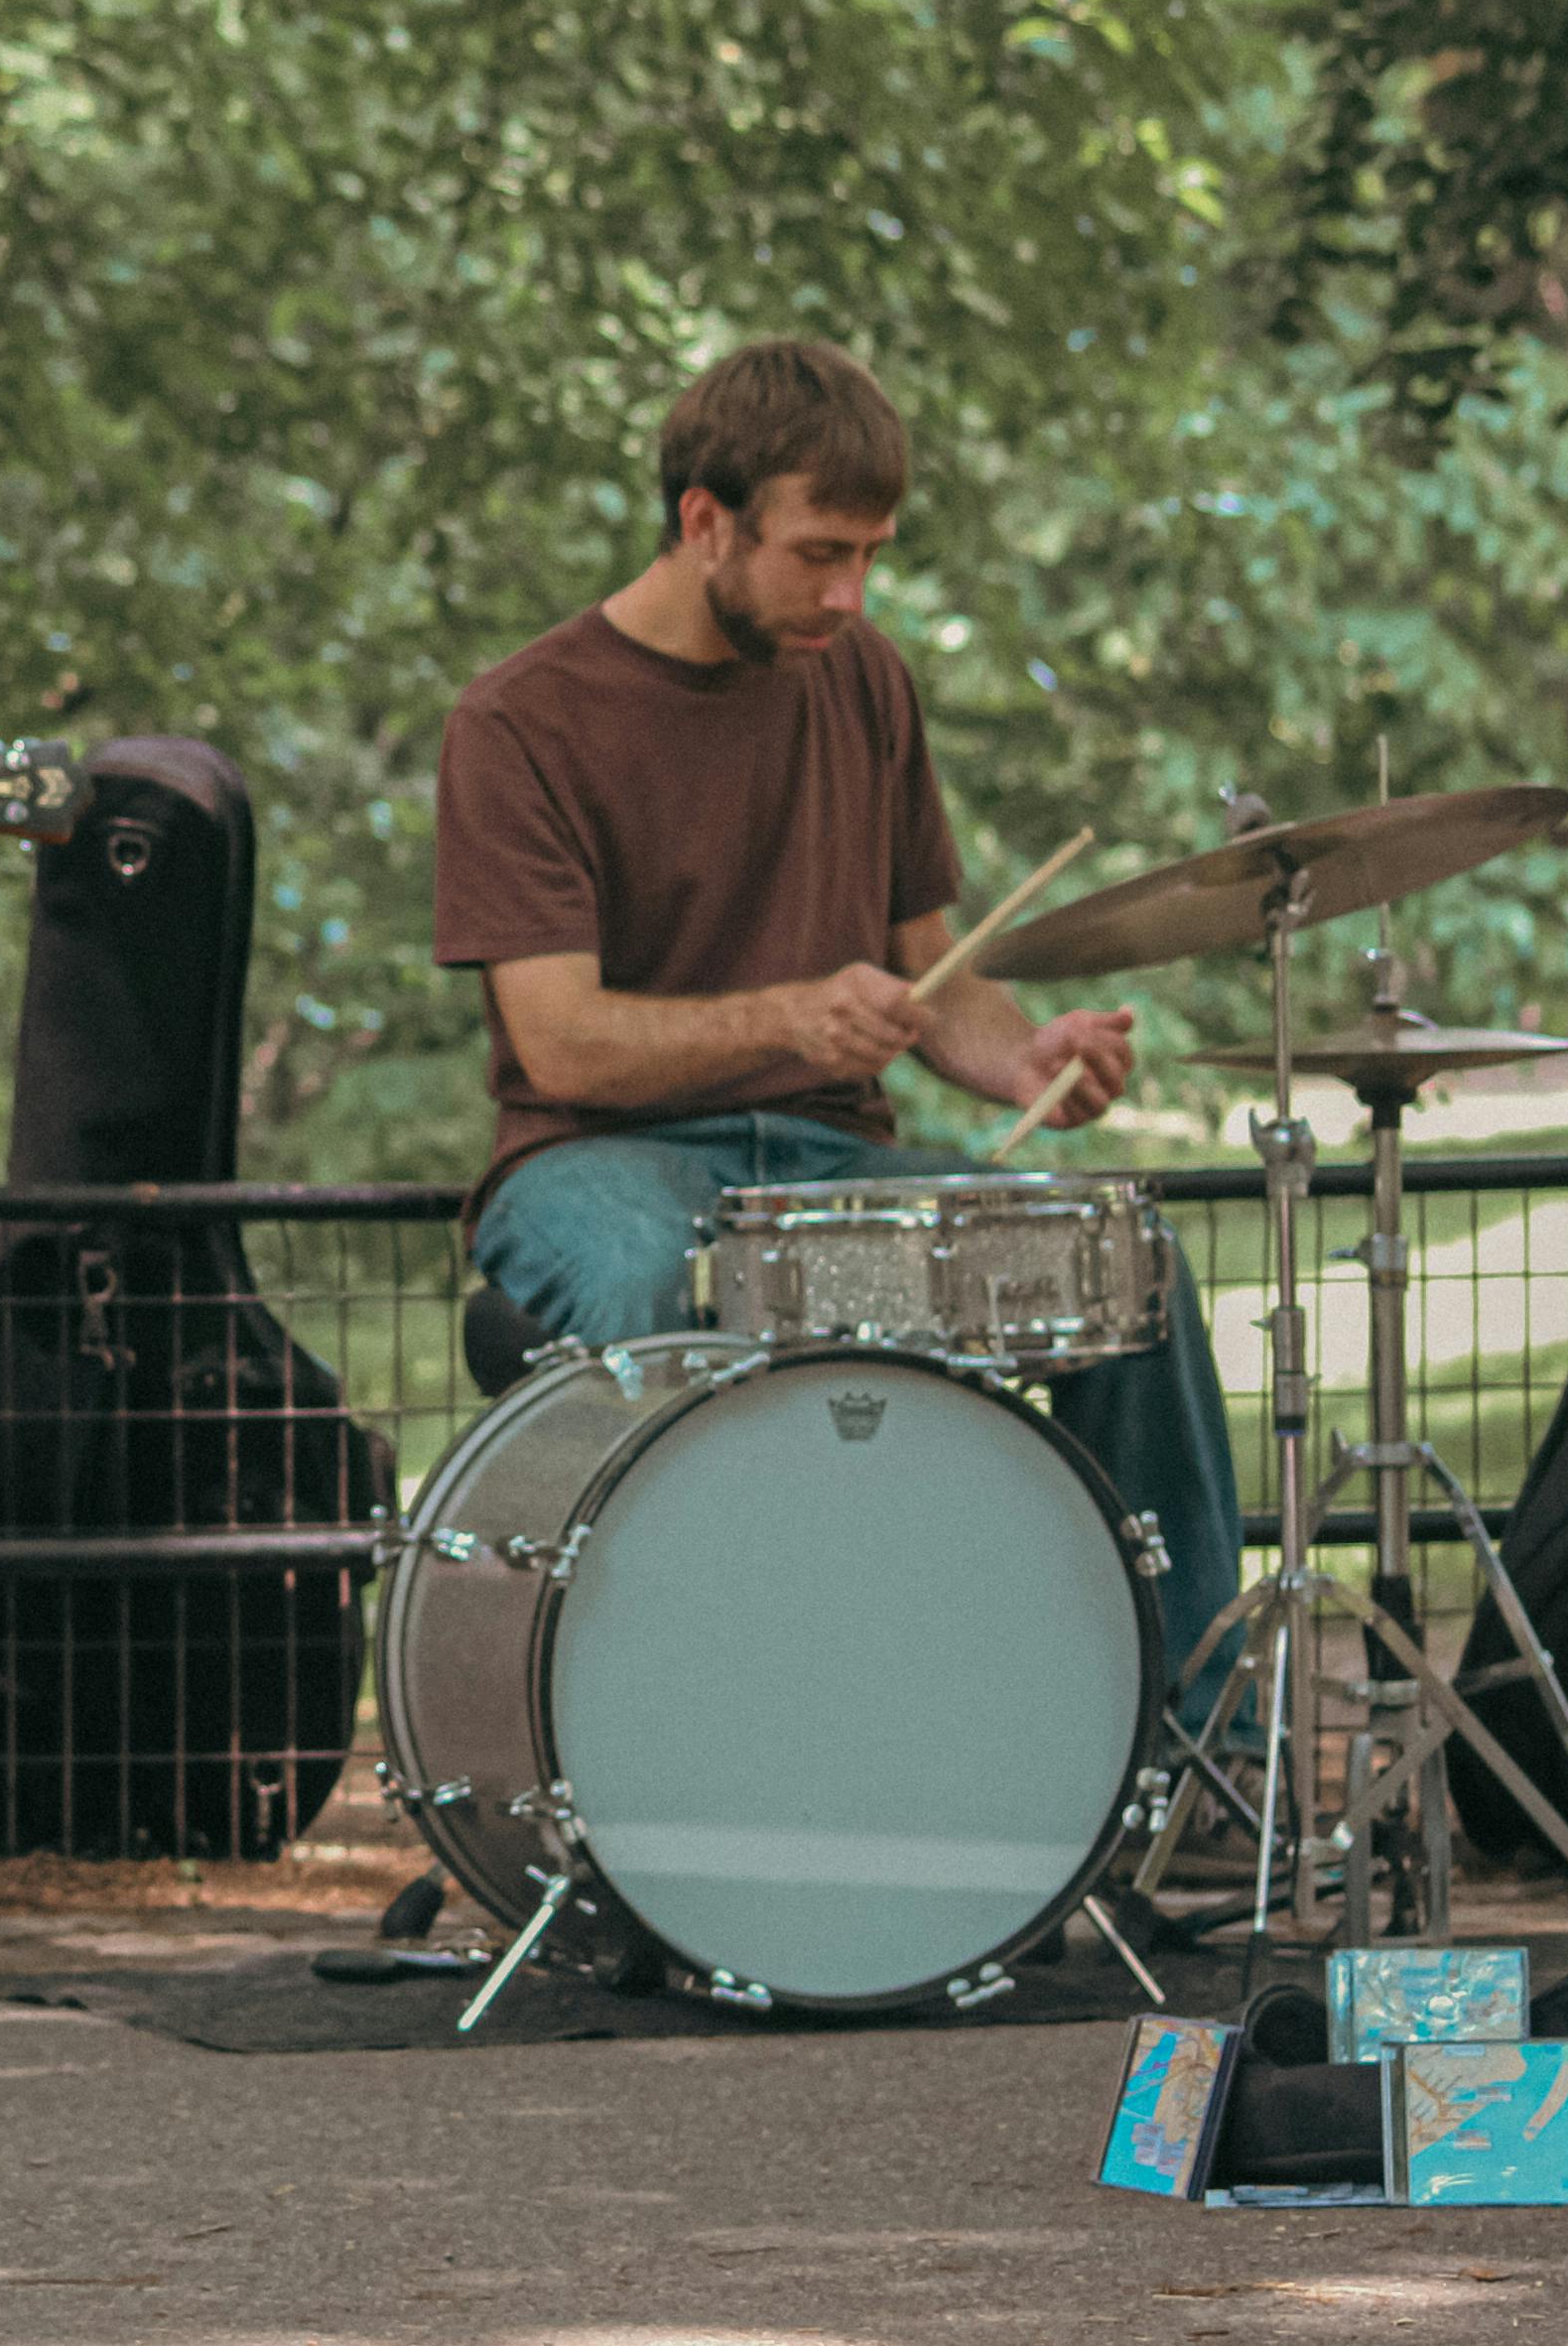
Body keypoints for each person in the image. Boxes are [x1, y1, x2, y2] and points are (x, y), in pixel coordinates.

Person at [430, 338, 1241, 1685]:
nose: (851, 593)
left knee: (1123, 1267)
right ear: (705, 521)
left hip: (829, 1182)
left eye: (872, 554)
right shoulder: (521, 722)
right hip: (590, 1164)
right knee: (655, 1285)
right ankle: (674, 1712)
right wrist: (792, 1020)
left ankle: (1197, 1742)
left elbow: (933, 977)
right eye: (820, 553)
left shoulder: (862, 681)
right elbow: (561, 1041)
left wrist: (1025, 1055)